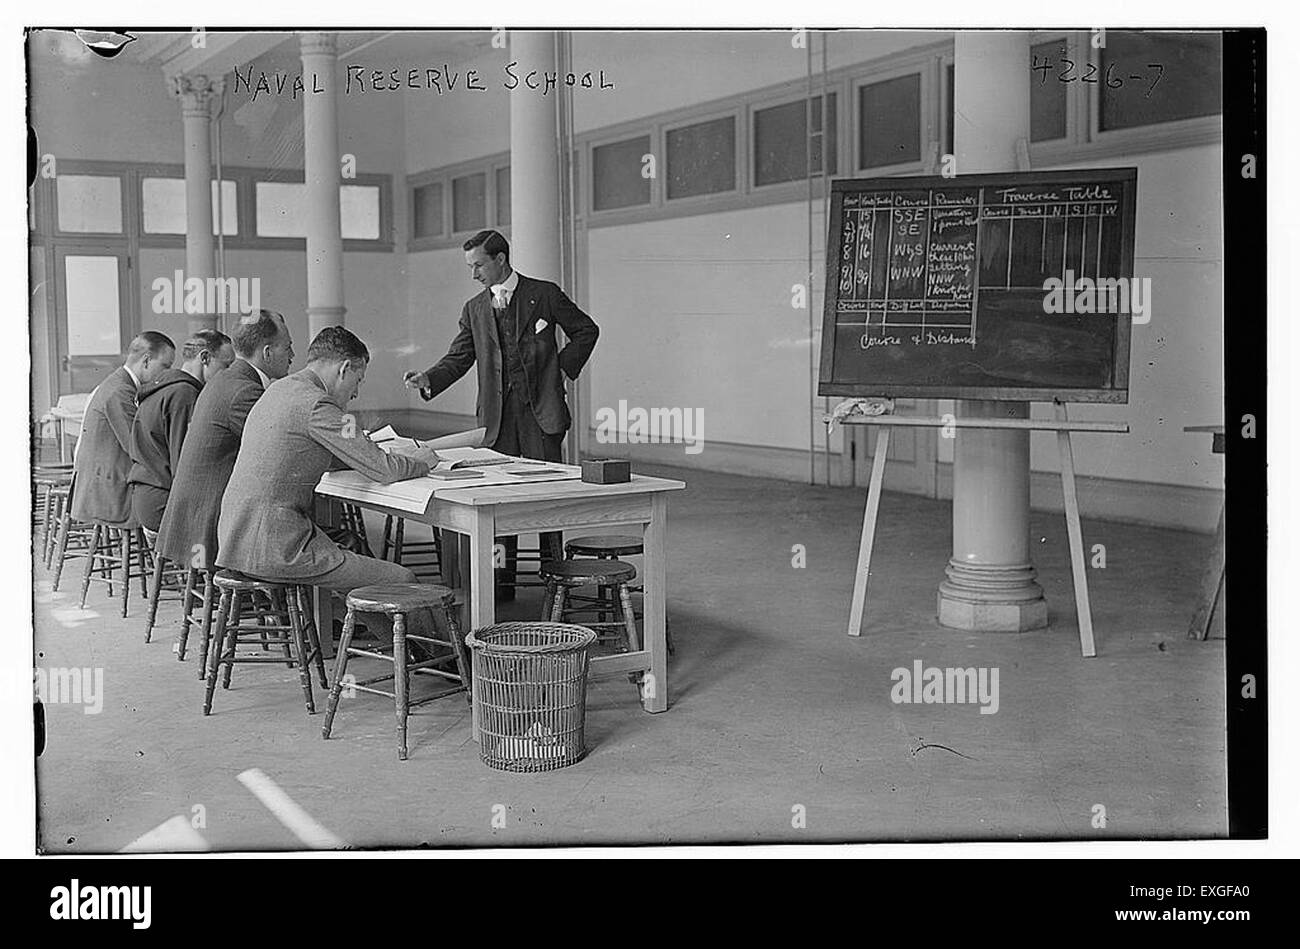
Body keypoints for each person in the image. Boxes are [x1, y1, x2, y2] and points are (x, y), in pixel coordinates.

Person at [403, 228, 599, 596]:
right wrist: (428, 378)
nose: (473, 273)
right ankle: (500, 585)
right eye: (470, 266)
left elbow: (587, 330)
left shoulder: (544, 294)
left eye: (477, 265)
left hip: (543, 414)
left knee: (547, 499)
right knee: (497, 501)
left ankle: (553, 581)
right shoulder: (474, 309)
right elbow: (460, 357)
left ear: (500, 260)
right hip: (497, 419)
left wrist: (561, 368)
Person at [217, 326, 436, 599]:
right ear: (344, 368)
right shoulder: (318, 404)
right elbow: (385, 469)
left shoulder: (279, 389)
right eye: (358, 380)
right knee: (403, 579)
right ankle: (416, 643)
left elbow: (331, 455)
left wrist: (362, 453)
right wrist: (421, 461)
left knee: (353, 550)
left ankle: (371, 636)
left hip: (237, 538)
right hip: (276, 547)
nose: (355, 393)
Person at [155, 311, 293, 573]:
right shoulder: (245, 391)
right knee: (303, 533)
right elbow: (281, 452)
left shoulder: (224, 380)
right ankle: (312, 609)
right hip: (210, 526)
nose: (292, 356)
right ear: (266, 352)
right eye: (288, 347)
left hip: (191, 518)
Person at [128, 329, 234, 534]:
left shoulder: (165, 386)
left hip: (147, 499)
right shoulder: (184, 395)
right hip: (164, 507)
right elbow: (185, 469)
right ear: (204, 358)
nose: (229, 373)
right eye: (226, 365)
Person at [71, 331, 175, 527]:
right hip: (108, 491)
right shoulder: (120, 391)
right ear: (146, 361)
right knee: (172, 496)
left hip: (107, 480)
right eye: (165, 366)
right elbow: (137, 447)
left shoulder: (121, 384)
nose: (168, 373)